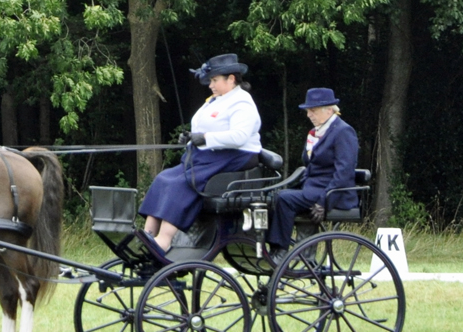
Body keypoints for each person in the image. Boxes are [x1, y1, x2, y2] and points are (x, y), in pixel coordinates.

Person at [139, 54, 262, 257]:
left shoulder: (242, 103)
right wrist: (190, 138)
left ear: (231, 79)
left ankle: (164, 240)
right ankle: (148, 233)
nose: (210, 85)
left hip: (234, 157)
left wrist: (205, 138)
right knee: (164, 178)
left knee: (181, 184)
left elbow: (239, 137)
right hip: (210, 155)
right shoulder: (216, 101)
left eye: (214, 80)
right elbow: (203, 128)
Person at [267, 88, 359, 264]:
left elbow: (344, 172)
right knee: (272, 198)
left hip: (332, 192)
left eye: (313, 110)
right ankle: (274, 248)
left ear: (329, 110)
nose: (309, 114)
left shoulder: (343, 132)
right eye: (308, 111)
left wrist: (324, 200)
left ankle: (281, 252)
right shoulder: (316, 132)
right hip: (312, 189)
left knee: (284, 199)